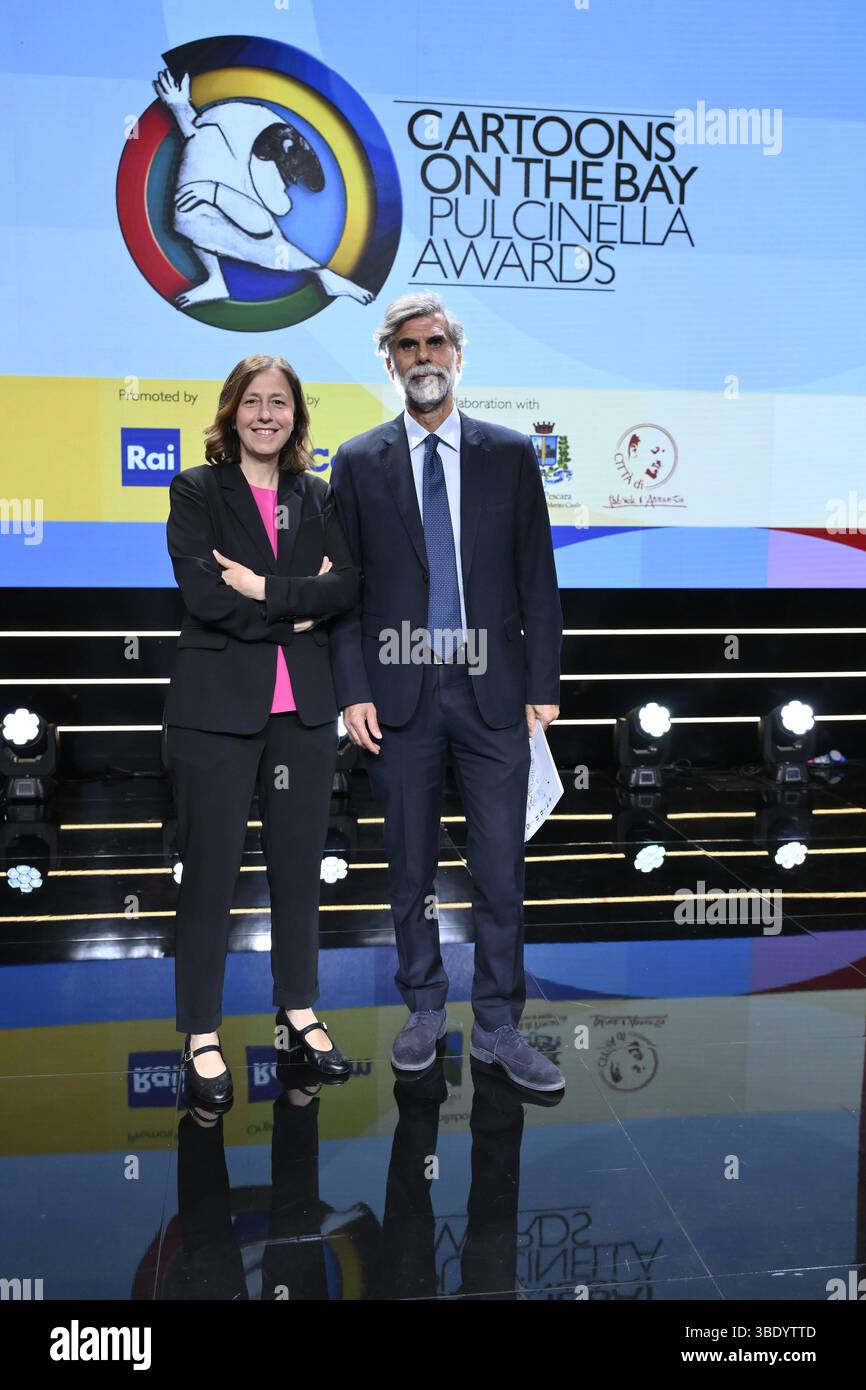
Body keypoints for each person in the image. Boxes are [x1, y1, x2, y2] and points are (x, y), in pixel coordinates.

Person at [329, 293, 565, 1092]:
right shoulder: (357, 462)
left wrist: (543, 684)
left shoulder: (507, 453)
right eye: (406, 345)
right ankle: (424, 1007)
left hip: (493, 688)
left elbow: (538, 575)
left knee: (501, 869)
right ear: (388, 360)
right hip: (400, 692)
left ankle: (498, 1024)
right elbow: (345, 593)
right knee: (409, 867)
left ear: (457, 356)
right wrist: (352, 689)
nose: (423, 356)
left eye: (435, 343)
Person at [164, 353, 360, 1104]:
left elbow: (346, 584)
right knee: (210, 873)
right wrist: (293, 604)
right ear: (231, 411)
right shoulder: (197, 489)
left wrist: (266, 588)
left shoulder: (318, 495)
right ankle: (202, 1032)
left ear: (296, 415)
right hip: (216, 711)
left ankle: (299, 1010)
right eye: (253, 402)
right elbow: (204, 594)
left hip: (304, 712)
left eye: (280, 403)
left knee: (298, 872)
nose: (266, 415)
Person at [153, 69, 373, 309]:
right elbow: (199, 139)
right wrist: (179, 105)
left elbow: (260, 226)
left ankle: (326, 276)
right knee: (193, 213)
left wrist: (215, 192)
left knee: (257, 232)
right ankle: (217, 280)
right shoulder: (226, 133)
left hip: (253, 172)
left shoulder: (274, 158)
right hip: (240, 159)